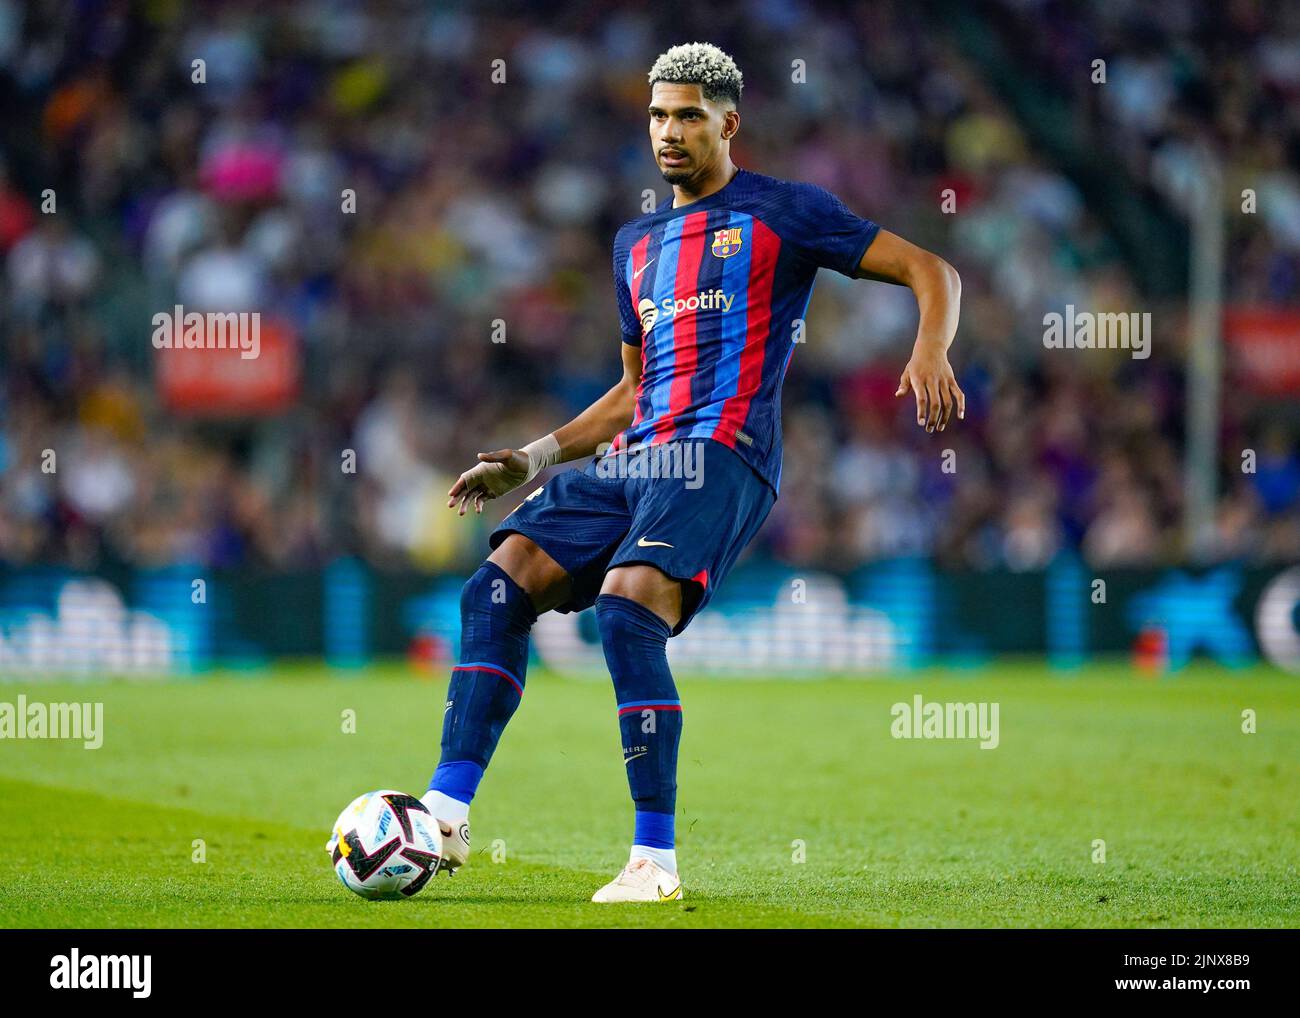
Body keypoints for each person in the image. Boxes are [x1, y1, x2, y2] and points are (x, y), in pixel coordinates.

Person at [423, 41, 963, 902]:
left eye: (687, 116)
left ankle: (654, 862)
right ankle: (444, 815)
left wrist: (930, 346)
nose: (668, 132)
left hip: (723, 453)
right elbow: (632, 395)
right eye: (657, 115)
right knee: (497, 583)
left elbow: (931, 270)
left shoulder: (784, 212)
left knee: (627, 601)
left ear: (728, 123)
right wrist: (527, 460)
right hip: (640, 456)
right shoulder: (635, 244)